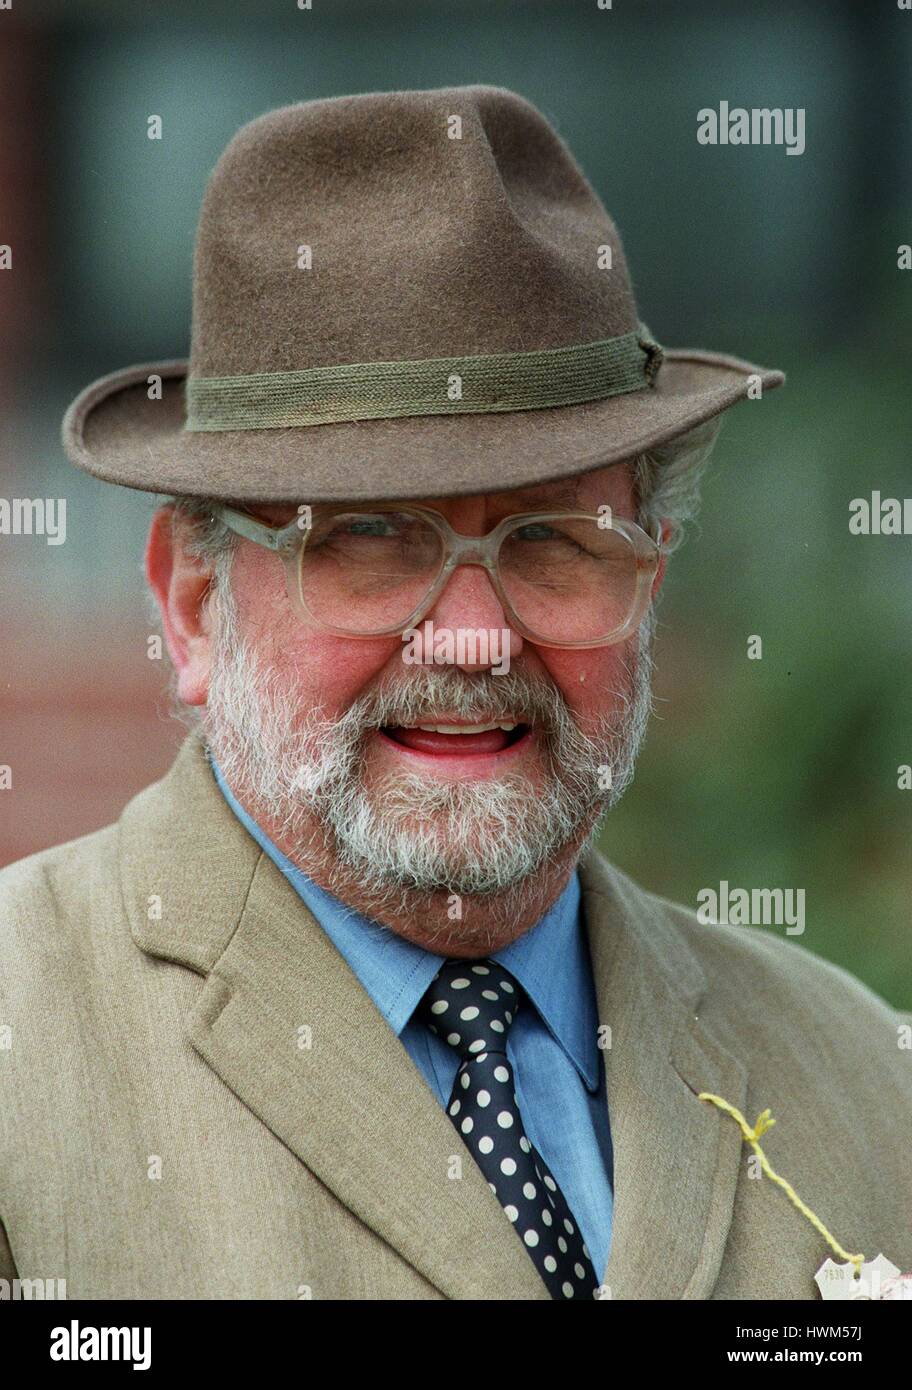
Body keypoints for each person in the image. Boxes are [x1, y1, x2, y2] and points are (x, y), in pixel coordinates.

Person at [1, 86, 909, 1302]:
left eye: (555, 542)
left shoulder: (865, 1074)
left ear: (650, 570)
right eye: (371, 538)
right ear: (191, 602)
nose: (476, 641)